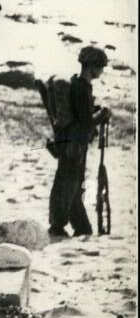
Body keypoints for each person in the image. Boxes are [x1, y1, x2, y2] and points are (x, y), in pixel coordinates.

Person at [48, 45, 110, 238]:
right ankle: (59, 225)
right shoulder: (81, 87)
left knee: (72, 183)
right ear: (91, 66)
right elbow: (86, 121)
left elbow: (80, 114)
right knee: (69, 184)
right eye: (100, 66)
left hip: (71, 143)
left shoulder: (78, 84)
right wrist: (103, 114)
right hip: (75, 144)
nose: (101, 70)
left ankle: (81, 226)